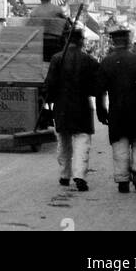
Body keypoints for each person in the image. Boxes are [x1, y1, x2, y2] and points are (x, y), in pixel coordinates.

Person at [96, 24, 136, 193]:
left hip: (117, 111)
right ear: (128, 40)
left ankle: (123, 179)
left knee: (120, 144)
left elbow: (100, 90)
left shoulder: (106, 62)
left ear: (113, 41)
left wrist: (101, 111)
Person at [44, 25, 100, 191]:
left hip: (62, 107)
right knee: (82, 141)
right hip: (82, 107)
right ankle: (79, 175)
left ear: (66, 41)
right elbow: (96, 87)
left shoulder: (56, 59)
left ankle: (64, 175)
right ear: (81, 41)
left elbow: (50, 85)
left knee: (64, 141)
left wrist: (49, 100)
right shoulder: (89, 60)